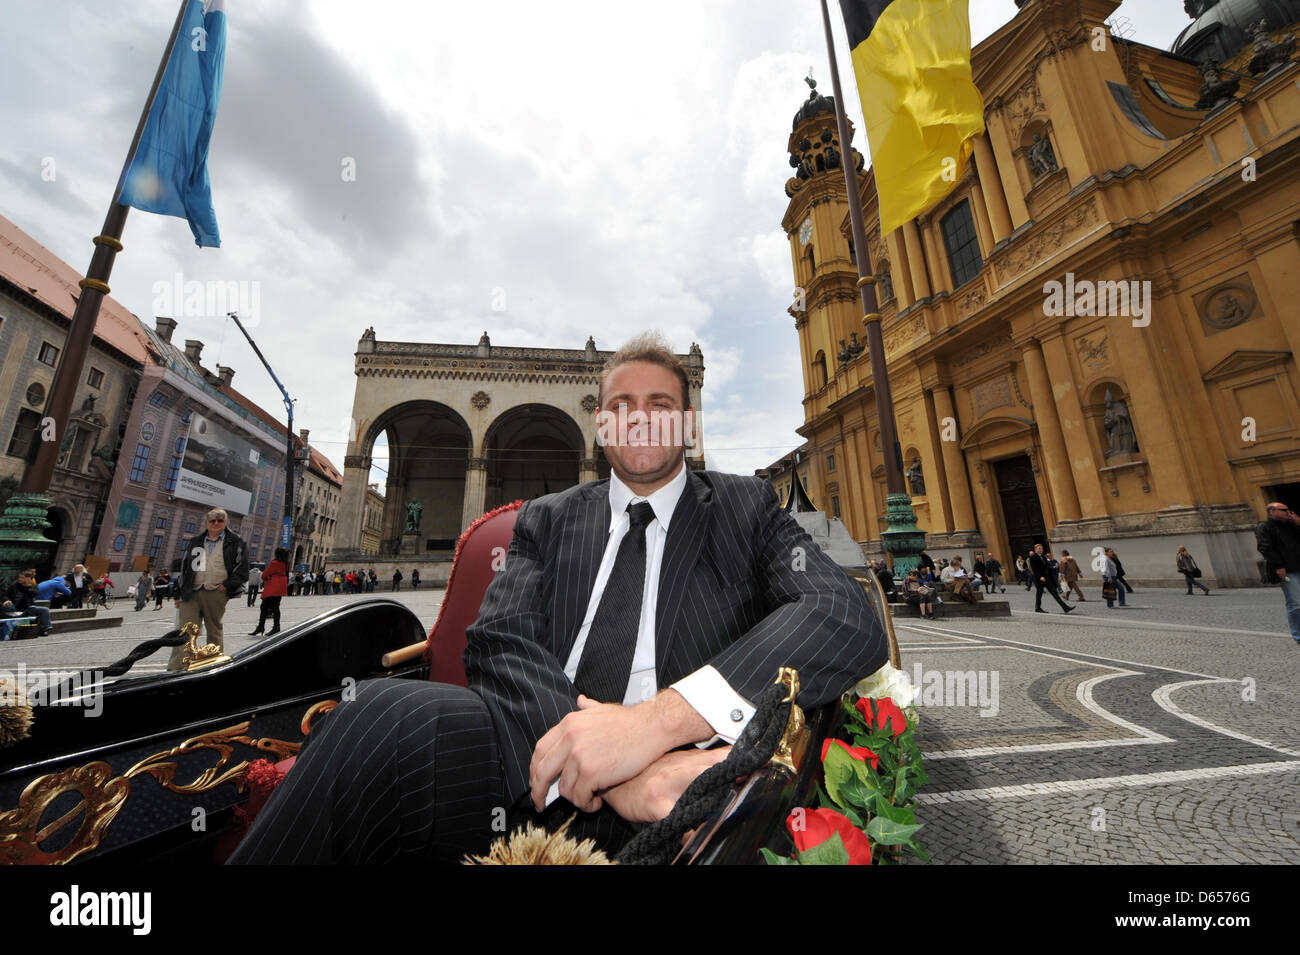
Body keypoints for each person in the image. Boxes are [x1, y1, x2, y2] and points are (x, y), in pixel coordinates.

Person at [230, 334, 886, 864]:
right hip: (531, 759)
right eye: (622, 404)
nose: (641, 417)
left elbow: (840, 611)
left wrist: (655, 725)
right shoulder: (546, 519)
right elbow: (499, 639)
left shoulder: (746, 506)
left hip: (690, 778)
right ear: (601, 424)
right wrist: (605, 763)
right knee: (379, 711)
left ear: (687, 423)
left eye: (661, 403)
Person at [167, 507, 250, 671]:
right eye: (213, 520)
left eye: (220, 520)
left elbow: (242, 569)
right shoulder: (197, 540)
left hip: (216, 591)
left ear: (226, 523)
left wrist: (227, 586)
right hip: (192, 591)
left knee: (214, 629)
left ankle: (214, 665)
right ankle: (177, 667)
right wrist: (178, 593)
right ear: (207, 523)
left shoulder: (236, 541)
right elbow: (186, 568)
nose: (216, 523)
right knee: (185, 630)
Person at [1255, 502, 1300, 644]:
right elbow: (1264, 547)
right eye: (1284, 510)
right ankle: (1298, 634)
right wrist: (1279, 565)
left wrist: (1299, 523)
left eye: (1288, 510)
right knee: (1295, 602)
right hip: (1287, 570)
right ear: (1272, 512)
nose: (1288, 512)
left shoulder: (1292, 525)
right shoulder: (1265, 527)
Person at [251, 548, 289, 636]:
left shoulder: (274, 563)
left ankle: (261, 627)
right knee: (275, 607)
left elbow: (264, 575)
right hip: (280, 587)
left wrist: (268, 578)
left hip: (273, 587)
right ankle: (276, 627)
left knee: (264, 606)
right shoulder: (285, 563)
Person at [3, 569, 54, 635]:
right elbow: (5, 595)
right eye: (19, 577)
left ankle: (44, 629)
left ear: (28, 579)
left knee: (45, 610)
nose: (20, 579)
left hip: (27, 608)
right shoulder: (14, 585)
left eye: (22, 578)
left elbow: (33, 594)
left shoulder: (33, 586)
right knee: (9, 607)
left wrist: (28, 587)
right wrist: (7, 600)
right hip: (15, 608)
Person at [1028, 544, 1074, 614]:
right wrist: (1040, 577)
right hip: (1039, 579)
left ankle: (1065, 607)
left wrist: (1055, 568)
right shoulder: (1033, 557)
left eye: (1042, 548)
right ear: (1036, 549)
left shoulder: (1043, 557)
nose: (1041, 550)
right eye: (1039, 548)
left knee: (1054, 593)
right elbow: (1034, 569)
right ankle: (1037, 608)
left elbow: (1047, 567)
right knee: (1039, 593)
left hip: (1046, 578)